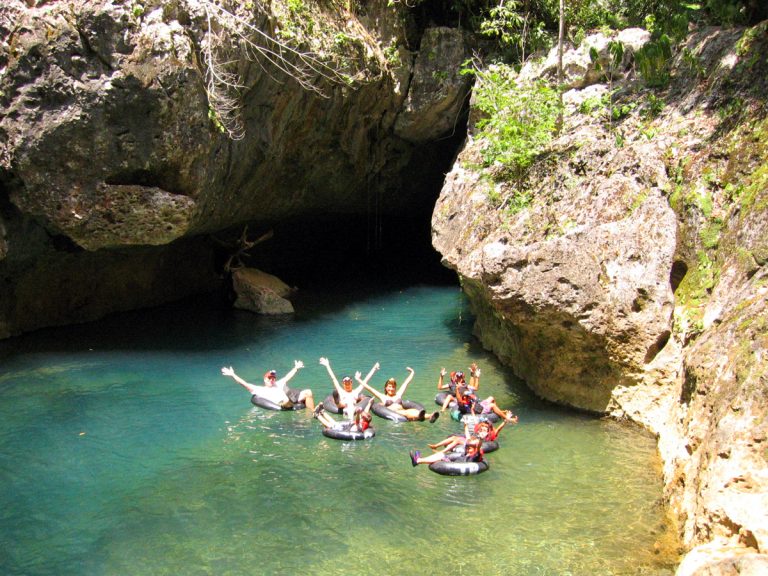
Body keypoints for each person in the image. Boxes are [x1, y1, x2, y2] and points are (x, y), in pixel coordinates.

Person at [220, 360, 315, 412]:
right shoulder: (259, 390)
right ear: (265, 379)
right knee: (286, 399)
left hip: (291, 399)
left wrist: (296, 368)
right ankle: (291, 400)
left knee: (308, 391)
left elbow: (288, 376)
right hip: (282, 403)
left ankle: (312, 412)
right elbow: (243, 383)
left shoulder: (278, 383)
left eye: (273, 378)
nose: (272, 380)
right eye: (269, 378)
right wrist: (233, 375)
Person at [361, 367, 439, 422]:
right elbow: (370, 388)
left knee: (413, 410)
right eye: (389, 387)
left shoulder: (398, 394)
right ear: (386, 388)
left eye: (393, 387)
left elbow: (406, 383)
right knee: (407, 412)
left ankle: (430, 416)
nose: (391, 389)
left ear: (395, 388)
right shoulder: (383, 397)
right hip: (396, 413)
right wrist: (359, 379)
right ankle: (424, 416)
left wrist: (412, 372)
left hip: (402, 411)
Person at [428, 411, 518, 451]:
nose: (482, 430)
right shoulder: (478, 431)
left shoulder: (492, 435)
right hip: (471, 440)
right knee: (454, 437)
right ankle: (436, 446)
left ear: (488, 431)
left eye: (485, 429)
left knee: (457, 440)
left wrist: (507, 419)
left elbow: (499, 428)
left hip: (476, 444)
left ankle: (441, 450)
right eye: (482, 429)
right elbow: (474, 427)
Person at [409, 435, 484, 467]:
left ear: (475, 449)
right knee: (441, 455)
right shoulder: (466, 453)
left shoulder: (474, 456)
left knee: (441, 455)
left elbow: (478, 449)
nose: (467, 450)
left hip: (455, 466)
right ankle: (419, 460)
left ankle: (418, 460)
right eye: (467, 448)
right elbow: (466, 440)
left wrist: (480, 440)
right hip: (453, 463)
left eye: (469, 448)